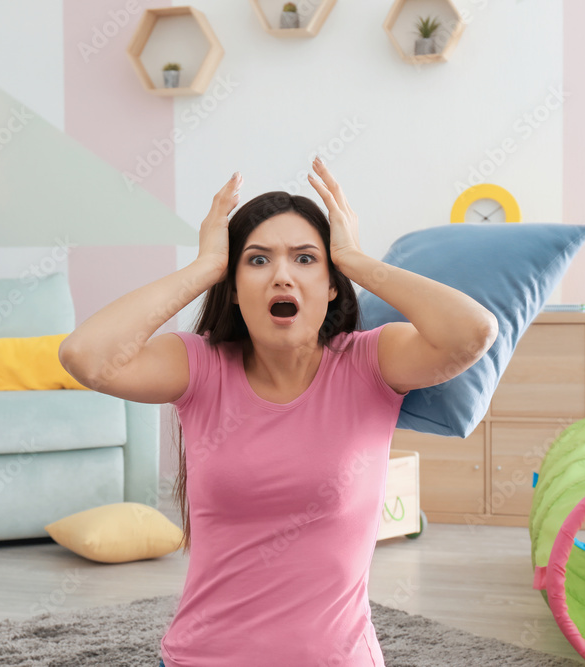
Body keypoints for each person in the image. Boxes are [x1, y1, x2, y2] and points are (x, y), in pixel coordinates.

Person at [58, 158, 498, 666]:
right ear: (234, 283)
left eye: (306, 259)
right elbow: (85, 356)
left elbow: (473, 332)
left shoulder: (369, 363)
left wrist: (353, 258)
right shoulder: (200, 366)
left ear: (332, 283)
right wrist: (203, 268)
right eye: (258, 260)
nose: (282, 276)